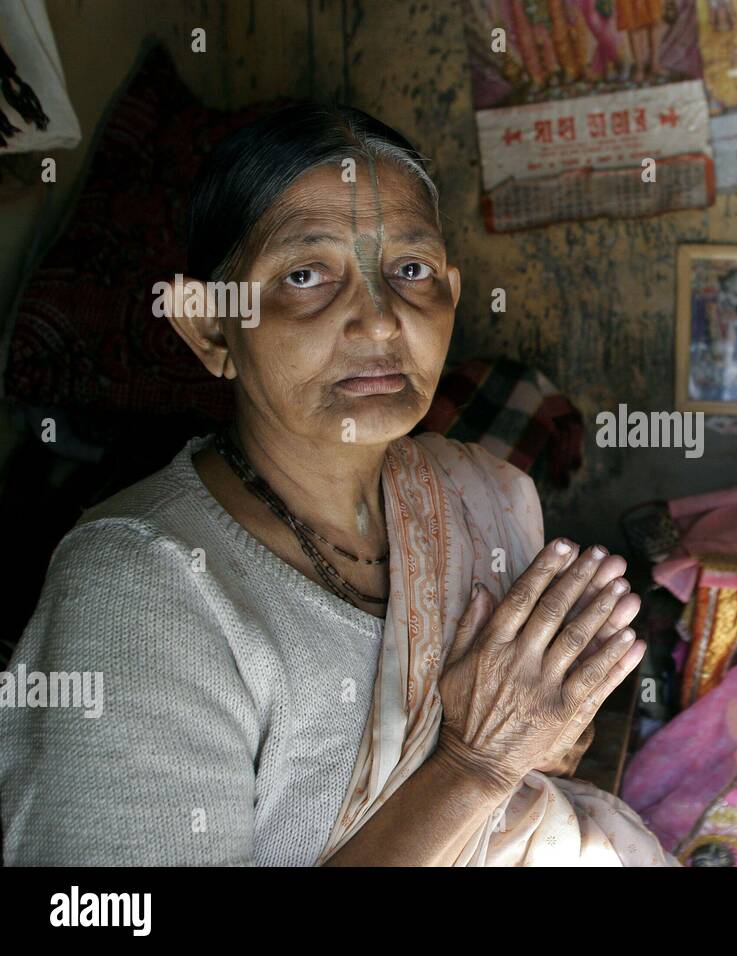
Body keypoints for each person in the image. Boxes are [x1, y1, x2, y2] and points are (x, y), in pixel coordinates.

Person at [0, 104, 672, 867]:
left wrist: (547, 732)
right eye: (306, 276)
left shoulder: (486, 495)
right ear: (209, 327)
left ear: (452, 291)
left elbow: (541, 756)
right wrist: (473, 764)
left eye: (410, 272)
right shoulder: (136, 595)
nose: (380, 323)